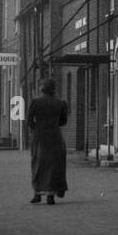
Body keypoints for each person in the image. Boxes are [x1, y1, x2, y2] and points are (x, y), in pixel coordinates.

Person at [26, 77, 68, 205]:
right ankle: (51, 195)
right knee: (55, 165)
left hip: (39, 137)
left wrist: (37, 128)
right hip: (55, 137)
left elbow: (29, 120)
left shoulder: (35, 102)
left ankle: (37, 193)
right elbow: (63, 121)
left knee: (38, 164)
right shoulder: (61, 103)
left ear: (42, 88)